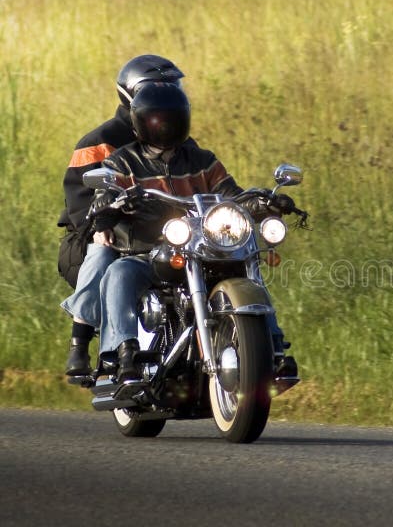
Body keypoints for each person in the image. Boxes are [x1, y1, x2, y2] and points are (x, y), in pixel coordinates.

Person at [92, 82, 285, 381]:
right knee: (119, 273)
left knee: (250, 264)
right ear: (140, 122)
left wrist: (263, 201)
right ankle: (124, 352)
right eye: (157, 120)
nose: (165, 127)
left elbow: (231, 194)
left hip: (206, 247)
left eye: (172, 119)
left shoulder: (202, 160)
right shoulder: (122, 162)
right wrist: (110, 201)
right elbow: (102, 199)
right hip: (148, 251)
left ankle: (272, 346)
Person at [59, 55, 186, 376]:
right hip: (94, 234)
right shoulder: (97, 143)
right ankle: (81, 341)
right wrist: (102, 224)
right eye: (159, 88)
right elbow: (80, 203)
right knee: (104, 253)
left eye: (173, 87)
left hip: (157, 234)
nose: (168, 93)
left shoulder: (181, 144)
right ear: (132, 94)